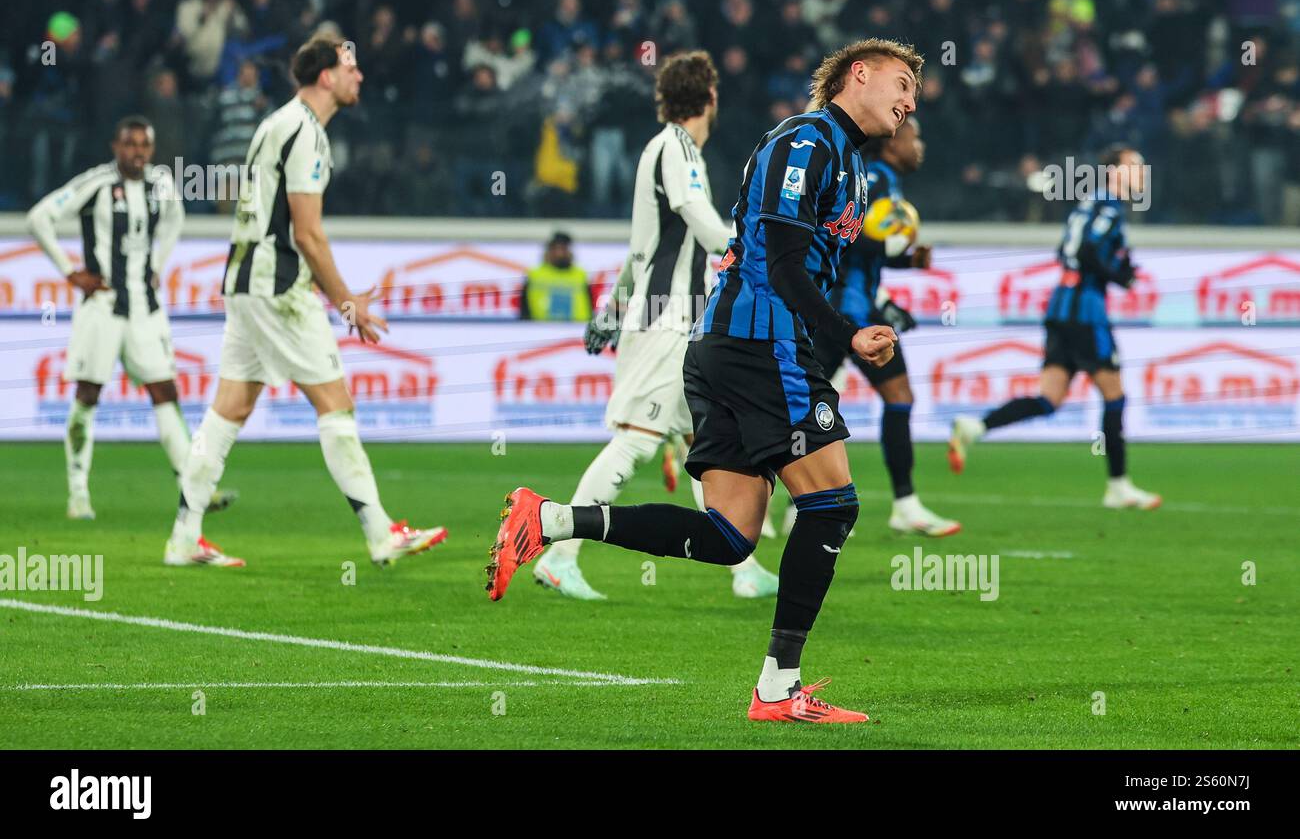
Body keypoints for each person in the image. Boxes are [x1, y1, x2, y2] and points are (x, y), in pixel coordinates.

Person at [487, 38, 923, 723]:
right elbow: (781, 263)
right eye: (901, 85)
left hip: (733, 345)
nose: (907, 103)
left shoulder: (853, 166)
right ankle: (778, 689)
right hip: (761, 342)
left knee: (731, 535)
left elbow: (793, 255)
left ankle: (548, 519)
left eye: (914, 97)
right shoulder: (806, 143)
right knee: (832, 505)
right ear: (857, 74)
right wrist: (843, 334)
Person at [163, 31, 447, 567]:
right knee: (335, 404)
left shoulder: (276, 125)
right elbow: (308, 235)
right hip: (274, 286)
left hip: (246, 280)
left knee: (231, 408)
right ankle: (381, 533)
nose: (359, 76)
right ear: (326, 77)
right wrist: (347, 304)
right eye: (351, 67)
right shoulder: (307, 134)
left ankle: (184, 536)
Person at [534, 50, 778, 601]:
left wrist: (613, 310)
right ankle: (559, 553)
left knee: (705, 442)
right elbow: (698, 217)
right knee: (636, 442)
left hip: (674, 317)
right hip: (669, 317)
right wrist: (745, 255)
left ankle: (743, 568)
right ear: (710, 97)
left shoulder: (668, 150)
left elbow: (640, 250)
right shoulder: (676, 148)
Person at [27, 117, 237, 522]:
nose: (137, 151)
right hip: (102, 306)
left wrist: (157, 262)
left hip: (145, 309)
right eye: (129, 144)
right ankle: (78, 494)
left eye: (144, 144)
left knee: (165, 392)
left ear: (152, 149)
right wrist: (69, 271)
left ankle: (193, 489)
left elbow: (176, 220)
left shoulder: (162, 185)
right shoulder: (96, 184)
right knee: (88, 395)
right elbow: (39, 218)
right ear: (115, 146)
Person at [948, 145, 1161, 510]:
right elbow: (1088, 252)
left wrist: (1115, 269)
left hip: (1060, 308)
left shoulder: (1088, 203)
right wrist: (1119, 275)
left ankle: (976, 427)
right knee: (1115, 395)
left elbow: (1066, 251)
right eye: (1134, 165)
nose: (1141, 172)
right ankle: (1118, 486)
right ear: (1114, 172)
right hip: (1085, 312)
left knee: (1050, 399)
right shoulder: (1109, 206)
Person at [811, 117, 960, 536]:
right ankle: (903, 505)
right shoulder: (873, 177)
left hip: (852, 305)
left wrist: (905, 260)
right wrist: (886, 246)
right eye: (914, 136)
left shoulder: (883, 179)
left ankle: (797, 501)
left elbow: (866, 249)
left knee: (811, 399)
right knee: (883, 397)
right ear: (892, 143)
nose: (920, 145)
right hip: (847, 308)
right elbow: (840, 233)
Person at [519, 231, 594, 321]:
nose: (560, 253)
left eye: (563, 248)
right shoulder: (535, 275)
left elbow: (590, 306)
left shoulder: (580, 275)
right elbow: (524, 309)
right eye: (556, 249)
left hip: (576, 330)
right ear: (549, 251)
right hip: (541, 330)